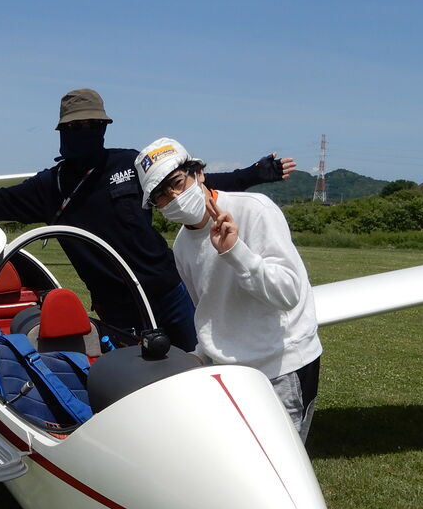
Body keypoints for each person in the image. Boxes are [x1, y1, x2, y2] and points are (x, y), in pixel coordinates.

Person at [0, 88, 295, 352]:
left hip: (170, 291)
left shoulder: (129, 163)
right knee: (139, 377)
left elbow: (189, 179)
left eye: (93, 125)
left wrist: (256, 174)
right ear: (62, 132)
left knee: (200, 361)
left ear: (104, 127)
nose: (85, 131)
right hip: (115, 307)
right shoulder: (49, 187)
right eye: (76, 127)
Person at [135, 137, 322, 445]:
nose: (174, 196)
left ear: (198, 174)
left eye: (177, 182)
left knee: (279, 468)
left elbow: (289, 294)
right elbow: (207, 309)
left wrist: (235, 251)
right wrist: (200, 355)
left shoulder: (254, 210)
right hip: (232, 374)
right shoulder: (182, 245)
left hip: (282, 365)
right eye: (161, 195)